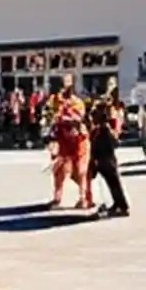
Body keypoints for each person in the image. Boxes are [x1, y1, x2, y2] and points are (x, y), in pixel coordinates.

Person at [48, 76, 92, 209]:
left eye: (65, 87)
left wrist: (65, 117)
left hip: (78, 140)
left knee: (80, 171)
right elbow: (51, 116)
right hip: (63, 140)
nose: (62, 91)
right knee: (59, 170)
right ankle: (57, 197)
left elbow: (78, 119)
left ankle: (84, 198)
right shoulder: (54, 101)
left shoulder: (77, 102)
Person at [88, 98, 129, 217]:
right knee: (112, 184)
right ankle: (117, 204)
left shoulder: (105, 129)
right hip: (103, 161)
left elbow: (115, 143)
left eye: (94, 116)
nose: (92, 118)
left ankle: (123, 207)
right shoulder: (99, 129)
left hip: (107, 161)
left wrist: (100, 156)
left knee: (115, 184)